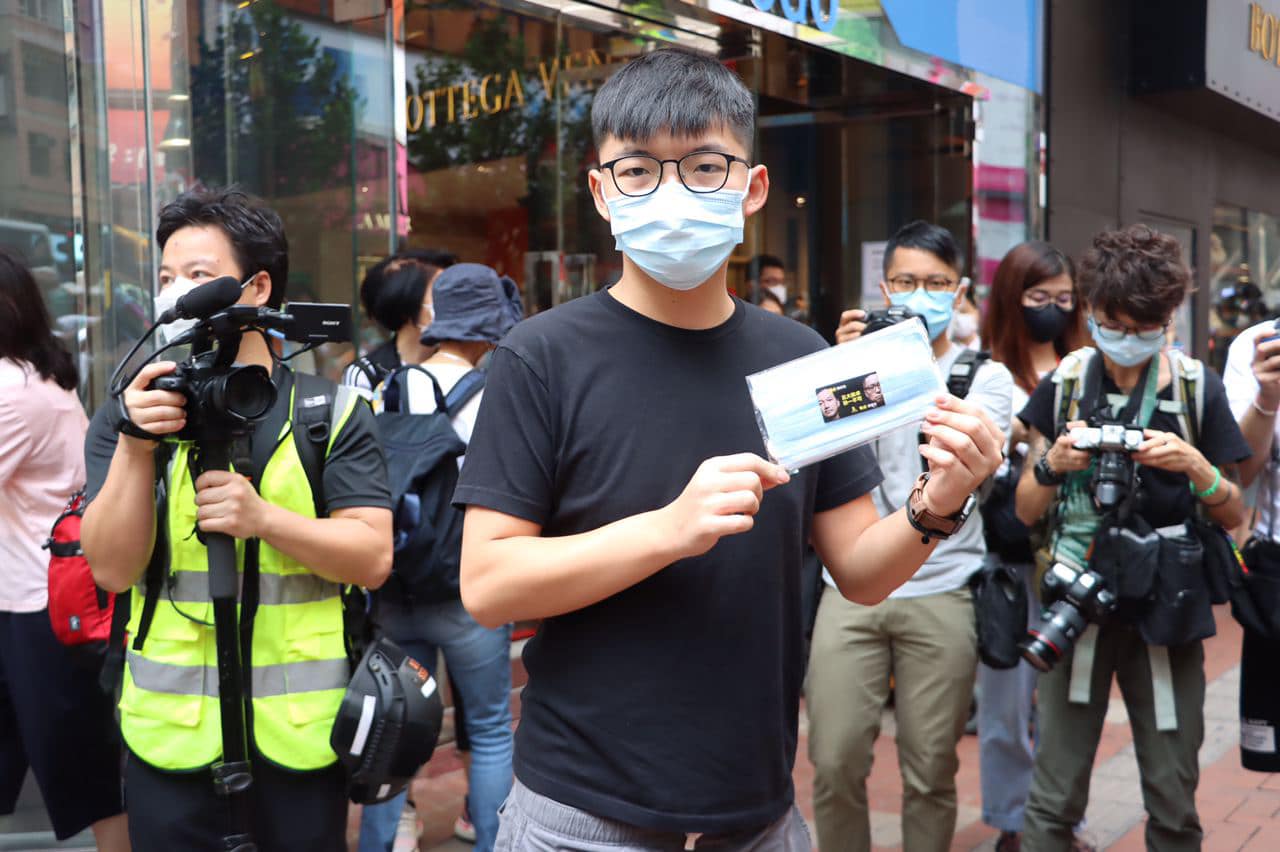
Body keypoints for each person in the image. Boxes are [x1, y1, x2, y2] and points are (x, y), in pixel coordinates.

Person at [454, 49, 1004, 850]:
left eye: (705, 166)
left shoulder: (805, 358)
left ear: (751, 189)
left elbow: (859, 569)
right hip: (582, 809)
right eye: (639, 171)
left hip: (755, 808)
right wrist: (669, 529)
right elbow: (488, 582)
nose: (673, 193)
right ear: (602, 193)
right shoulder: (541, 356)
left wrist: (939, 498)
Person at [80, 188, 394, 852]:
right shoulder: (133, 412)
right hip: (170, 740)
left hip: (300, 740)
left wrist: (266, 520)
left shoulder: (328, 412)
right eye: (166, 278)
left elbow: (371, 557)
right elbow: (109, 568)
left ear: (257, 287)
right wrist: (138, 449)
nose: (175, 294)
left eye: (198, 276)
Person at [1014, 225, 1249, 852]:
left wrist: (1198, 469)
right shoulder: (1065, 383)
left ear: (1170, 318)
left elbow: (1235, 515)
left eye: (1149, 327)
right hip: (1078, 606)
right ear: (1090, 311)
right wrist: (1052, 465)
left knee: (1173, 799)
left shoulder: (1197, 388)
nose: (1129, 340)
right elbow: (1021, 508)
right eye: (1115, 323)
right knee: (1053, 799)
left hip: (1166, 612)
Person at [815, 221, 1013, 852]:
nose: (918, 294)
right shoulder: (849, 367)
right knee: (834, 757)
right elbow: (820, 455)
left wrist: (910, 363)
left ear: (959, 292)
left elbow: (973, 475)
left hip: (943, 586)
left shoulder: (986, 376)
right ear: (882, 287)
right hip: (847, 583)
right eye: (905, 281)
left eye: (935, 283)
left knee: (930, 767)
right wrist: (841, 368)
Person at [357, 262, 521, 852]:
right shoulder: (499, 394)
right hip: (469, 591)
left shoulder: (395, 386)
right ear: (485, 329)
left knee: (395, 729)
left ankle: (378, 845)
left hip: (400, 587)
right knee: (490, 730)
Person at [0, 249, 130, 851]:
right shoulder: (34, 374)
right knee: (88, 774)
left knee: (87, 777)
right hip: (28, 600)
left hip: (37, 608)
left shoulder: (14, 390)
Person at [976, 241, 1087, 852]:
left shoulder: (1088, 366)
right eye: (1037, 297)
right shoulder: (985, 370)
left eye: (1063, 299)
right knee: (1004, 708)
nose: (1051, 309)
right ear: (1012, 298)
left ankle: (1060, 819)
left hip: (1072, 559)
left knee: (1071, 707)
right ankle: (1014, 823)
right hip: (1006, 560)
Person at [343, 249, 458, 392]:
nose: (450, 301)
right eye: (438, 292)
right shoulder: (367, 374)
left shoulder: (459, 368)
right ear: (407, 304)